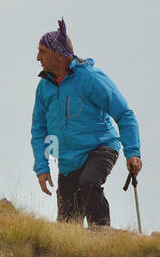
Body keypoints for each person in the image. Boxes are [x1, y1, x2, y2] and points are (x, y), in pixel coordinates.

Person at [30, 19, 142, 227]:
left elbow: (124, 113)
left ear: (59, 55)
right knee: (66, 227)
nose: (37, 57)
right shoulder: (44, 88)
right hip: (67, 160)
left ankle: (101, 235)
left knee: (89, 183)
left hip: (100, 147)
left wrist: (133, 152)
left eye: (42, 52)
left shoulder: (90, 78)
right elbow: (39, 130)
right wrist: (42, 167)